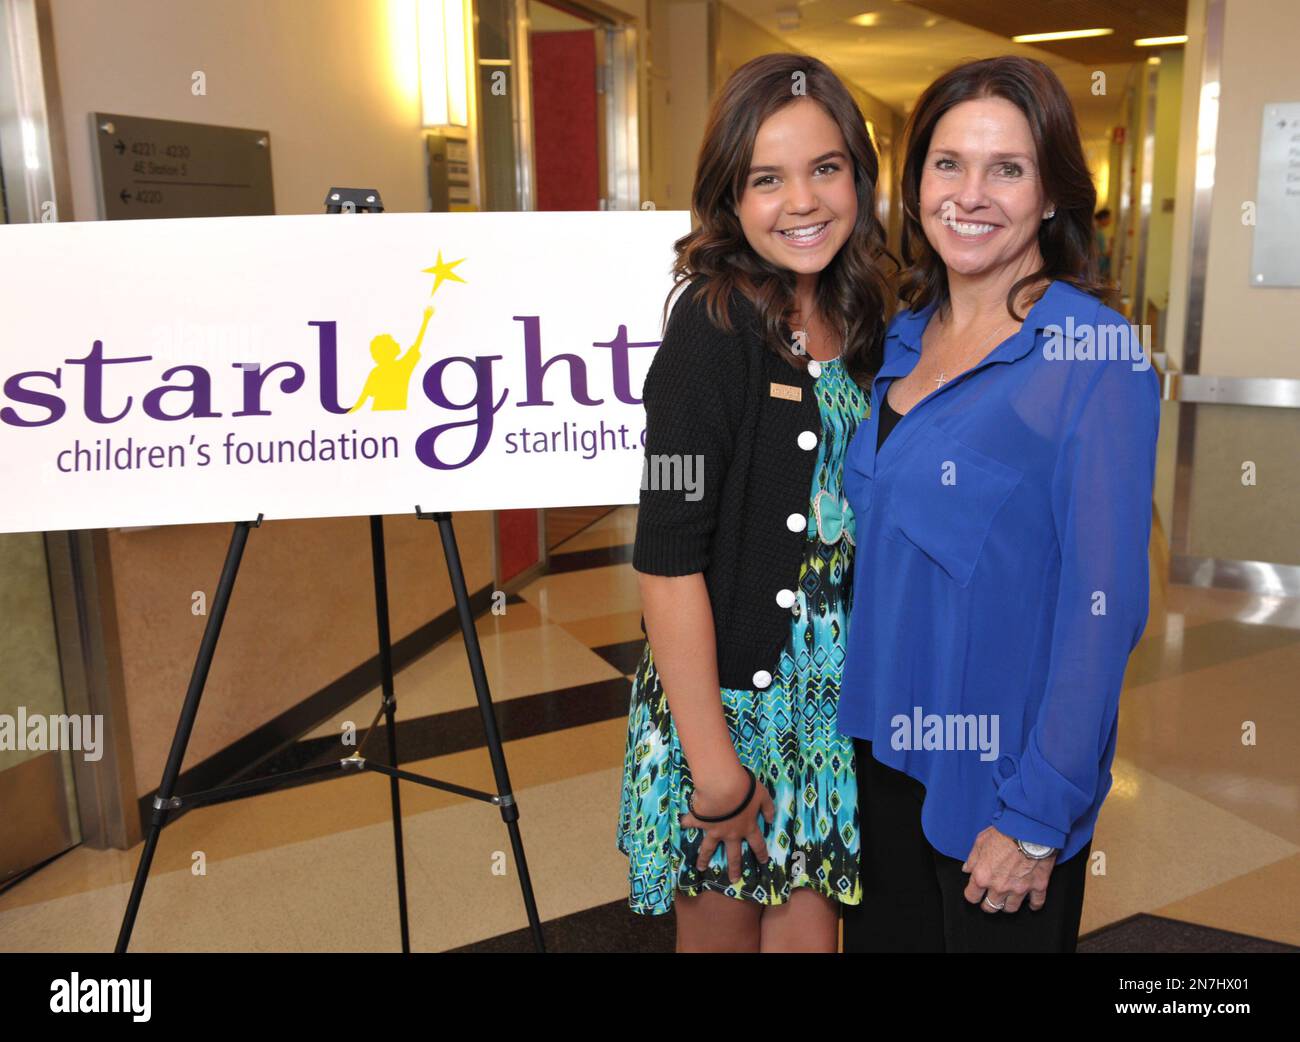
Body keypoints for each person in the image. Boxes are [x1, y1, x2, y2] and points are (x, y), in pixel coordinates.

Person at [836, 56, 1159, 953]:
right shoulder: (901, 334)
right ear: (916, 182)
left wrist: (1036, 818)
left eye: (1006, 169)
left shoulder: (1092, 359)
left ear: (1052, 193)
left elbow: (1103, 611)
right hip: (878, 765)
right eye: (948, 164)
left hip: (997, 789)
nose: (970, 194)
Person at [616, 52, 893, 952]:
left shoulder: (865, 319)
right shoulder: (710, 328)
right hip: (726, 712)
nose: (802, 202)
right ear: (730, 200)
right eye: (766, 180)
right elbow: (664, 564)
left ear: (858, 173)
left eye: (825, 169)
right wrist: (715, 774)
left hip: (826, 713)